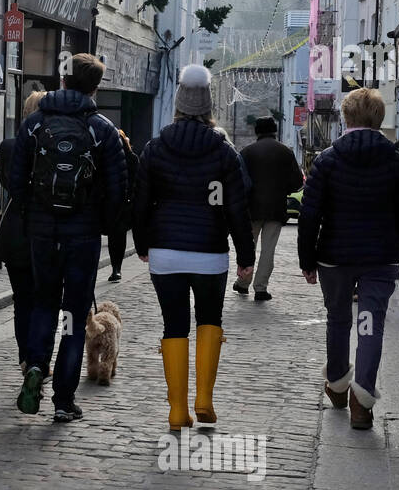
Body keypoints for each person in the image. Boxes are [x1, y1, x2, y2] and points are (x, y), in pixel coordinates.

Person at [133, 64, 256, 431]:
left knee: (174, 324)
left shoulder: (155, 149)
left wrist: (142, 244)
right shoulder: (224, 151)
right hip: (210, 252)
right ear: (207, 105)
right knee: (209, 320)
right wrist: (246, 257)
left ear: (178, 103)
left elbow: (139, 202)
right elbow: (237, 207)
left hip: (166, 252)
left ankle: (176, 411)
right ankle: (204, 399)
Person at [10, 54, 128, 423]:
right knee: (75, 316)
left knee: (44, 304)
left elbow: (15, 183)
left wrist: (35, 212)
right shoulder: (103, 130)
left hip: (42, 234)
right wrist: (104, 227)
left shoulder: (33, 124)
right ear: (95, 87)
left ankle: (35, 365)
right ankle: (64, 399)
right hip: (83, 237)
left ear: (62, 81)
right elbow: (117, 190)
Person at [298, 87, 399, 430]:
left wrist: (308, 259)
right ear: (379, 119)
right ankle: (361, 403)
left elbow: (309, 215)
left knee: (338, 319)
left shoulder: (328, 159)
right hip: (380, 258)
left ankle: (336, 385)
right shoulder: (394, 161)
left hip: (335, 256)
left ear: (346, 118)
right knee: (369, 325)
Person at [0, 90, 46, 372]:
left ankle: (26, 356)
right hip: (44, 232)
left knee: (22, 301)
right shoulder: (49, 146)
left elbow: (9, 184)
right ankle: (40, 358)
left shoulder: (9, 147)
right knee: (44, 300)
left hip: (15, 230)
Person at [235, 115, 305, 301]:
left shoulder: (247, 152)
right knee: (268, 250)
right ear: (275, 131)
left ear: (257, 131)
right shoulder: (285, 152)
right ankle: (261, 288)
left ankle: (243, 282)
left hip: (251, 208)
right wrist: (282, 188)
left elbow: (239, 181)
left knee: (248, 246)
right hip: (276, 208)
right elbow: (297, 182)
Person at [106, 128, 140, 282]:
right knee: (116, 236)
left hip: (122, 202)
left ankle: (116, 268)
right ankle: (115, 269)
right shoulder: (104, 157)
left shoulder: (131, 159)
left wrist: (130, 199)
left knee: (117, 236)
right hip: (107, 201)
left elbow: (136, 182)